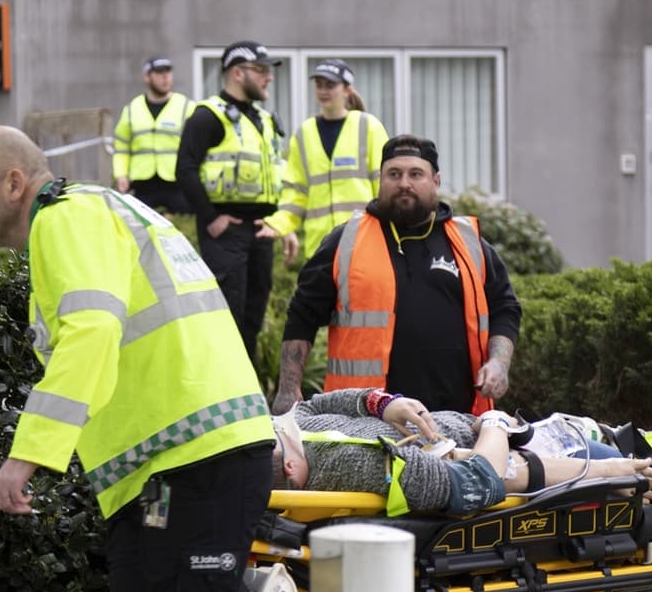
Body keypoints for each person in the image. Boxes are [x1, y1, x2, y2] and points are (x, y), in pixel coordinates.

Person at [0, 125, 275, 592]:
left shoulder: (65, 218)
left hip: (193, 467)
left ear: (13, 183)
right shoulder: (99, 210)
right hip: (173, 471)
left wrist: (26, 456)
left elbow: (92, 330)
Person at [273, 135, 522, 416]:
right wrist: (288, 389)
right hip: (363, 419)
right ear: (380, 180)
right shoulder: (346, 241)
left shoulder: (469, 242)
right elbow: (302, 315)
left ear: (436, 181)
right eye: (394, 174)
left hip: (456, 417)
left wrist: (499, 363)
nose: (404, 183)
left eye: (416, 174)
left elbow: (505, 307)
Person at [272, 389, 652, 515]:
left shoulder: (298, 432)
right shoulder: (355, 465)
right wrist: (493, 423)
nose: (286, 425)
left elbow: (314, 405)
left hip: (516, 442)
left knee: (612, 439)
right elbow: (482, 481)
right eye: (283, 435)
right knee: (649, 470)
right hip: (528, 461)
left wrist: (384, 404)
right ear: (292, 467)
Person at [175, 40, 286, 360]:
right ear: (238, 73)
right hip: (226, 232)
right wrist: (210, 218)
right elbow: (184, 169)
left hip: (260, 232)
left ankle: (247, 387)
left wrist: (282, 223)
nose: (269, 77)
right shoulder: (208, 116)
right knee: (227, 317)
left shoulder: (263, 119)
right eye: (261, 70)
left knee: (252, 319)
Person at [257, 58, 390, 263]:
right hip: (320, 247)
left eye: (330, 85)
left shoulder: (369, 127)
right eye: (319, 85)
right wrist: (279, 224)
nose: (323, 91)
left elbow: (385, 186)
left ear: (347, 90)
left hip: (363, 242)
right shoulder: (304, 133)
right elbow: (296, 191)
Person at [111, 56, 194, 215]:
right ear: (147, 77)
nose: (165, 77)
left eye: (168, 72)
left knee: (183, 227)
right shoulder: (132, 109)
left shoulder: (187, 107)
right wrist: (121, 175)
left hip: (177, 185)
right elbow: (121, 148)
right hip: (143, 186)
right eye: (159, 73)